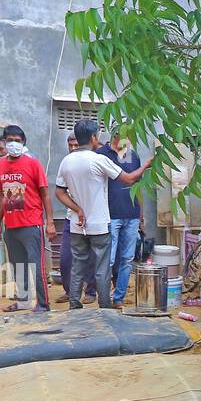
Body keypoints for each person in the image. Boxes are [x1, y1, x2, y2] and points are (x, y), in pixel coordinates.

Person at [54, 119, 150, 311]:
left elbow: (59, 192)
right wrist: (147, 164)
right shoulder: (99, 159)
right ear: (93, 137)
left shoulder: (67, 161)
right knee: (103, 268)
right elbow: (130, 179)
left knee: (78, 266)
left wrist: (77, 209)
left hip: (77, 225)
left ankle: (75, 304)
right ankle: (105, 306)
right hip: (99, 224)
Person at [0, 125, 55, 313]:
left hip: (32, 224)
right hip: (11, 226)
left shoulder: (33, 164)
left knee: (37, 268)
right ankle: (23, 301)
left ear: (23, 143)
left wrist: (50, 222)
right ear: (4, 141)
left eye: (18, 141)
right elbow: (5, 197)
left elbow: (45, 194)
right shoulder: (1, 166)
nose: (13, 144)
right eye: (10, 140)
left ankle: (43, 304)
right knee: (18, 267)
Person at [97, 127, 143, 305]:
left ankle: (119, 298)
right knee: (109, 259)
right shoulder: (101, 154)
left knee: (127, 259)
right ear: (116, 134)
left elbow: (138, 186)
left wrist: (141, 213)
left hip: (131, 214)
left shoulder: (132, 155)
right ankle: (104, 298)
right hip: (110, 215)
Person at [56, 134, 95, 303]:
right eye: (70, 145)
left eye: (75, 145)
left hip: (92, 217)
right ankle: (70, 290)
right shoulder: (66, 164)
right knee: (65, 258)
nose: (72, 148)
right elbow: (60, 191)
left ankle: (90, 292)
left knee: (92, 257)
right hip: (70, 217)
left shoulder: (92, 162)